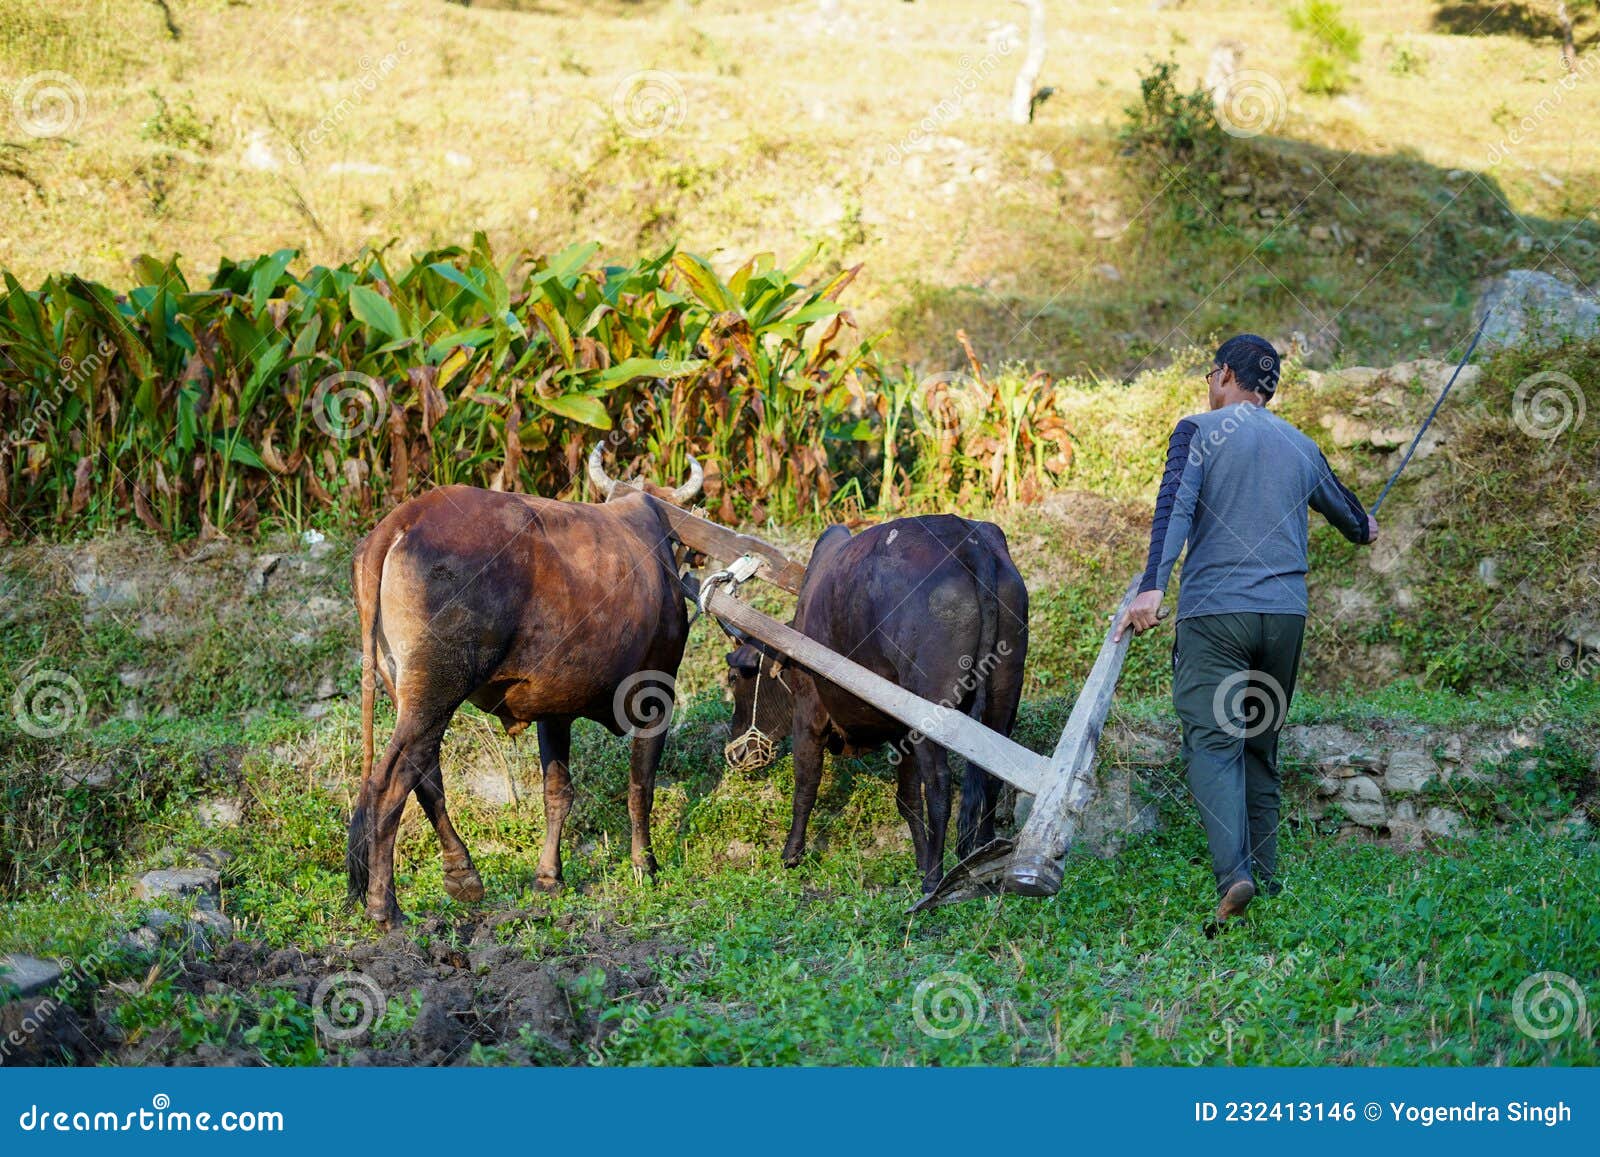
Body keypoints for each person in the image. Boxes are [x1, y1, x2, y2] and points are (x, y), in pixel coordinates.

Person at [1114, 334, 1378, 925]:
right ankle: (1270, 874)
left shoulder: (1198, 431)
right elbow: (1352, 517)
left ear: (1226, 375)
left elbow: (1174, 507)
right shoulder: (1301, 444)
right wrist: (1366, 526)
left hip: (1217, 615)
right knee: (1260, 744)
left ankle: (1235, 876)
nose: (1209, 390)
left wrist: (1152, 586)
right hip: (1284, 618)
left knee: (1214, 739)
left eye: (1211, 377)